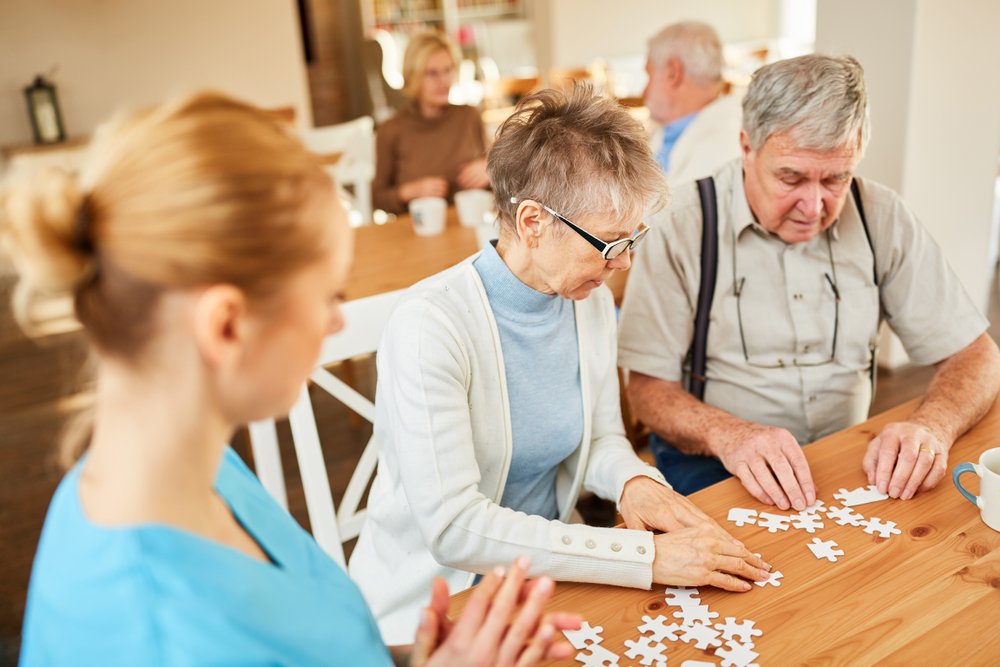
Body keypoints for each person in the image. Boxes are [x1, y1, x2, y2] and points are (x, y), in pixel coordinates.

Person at [4, 92, 581, 666]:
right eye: (327, 295)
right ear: (227, 325)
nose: (335, 321)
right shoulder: (160, 638)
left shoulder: (195, 469)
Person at [350, 86, 770, 645]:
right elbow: (454, 529)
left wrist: (633, 483)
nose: (624, 263)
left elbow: (598, 438)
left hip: (548, 577)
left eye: (634, 238)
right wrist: (641, 554)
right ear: (531, 223)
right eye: (610, 241)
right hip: (438, 608)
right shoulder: (431, 326)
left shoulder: (586, 298)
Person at [619, 54, 1000, 511]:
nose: (814, 205)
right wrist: (732, 436)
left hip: (848, 454)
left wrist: (932, 424)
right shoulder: (683, 223)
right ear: (746, 146)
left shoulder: (882, 214)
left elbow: (977, 355)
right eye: (791, 177)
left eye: (836, 178)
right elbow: (647, 390)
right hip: (714, 459)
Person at [372, 31, 489, 214]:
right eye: (431, 73)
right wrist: (408, 192)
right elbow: (378, 198)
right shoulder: (391, 130)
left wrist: (490, 171)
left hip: (469, 226)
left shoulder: (469, 116)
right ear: (412, 77)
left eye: (448, 70)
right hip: (418, 232)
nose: (443, 81)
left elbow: (504, 179)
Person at [643, 21, 742, 184]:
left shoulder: (725, 146)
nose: (644, 91)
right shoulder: (669, 132)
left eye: (649, 75)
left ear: (673, 74)